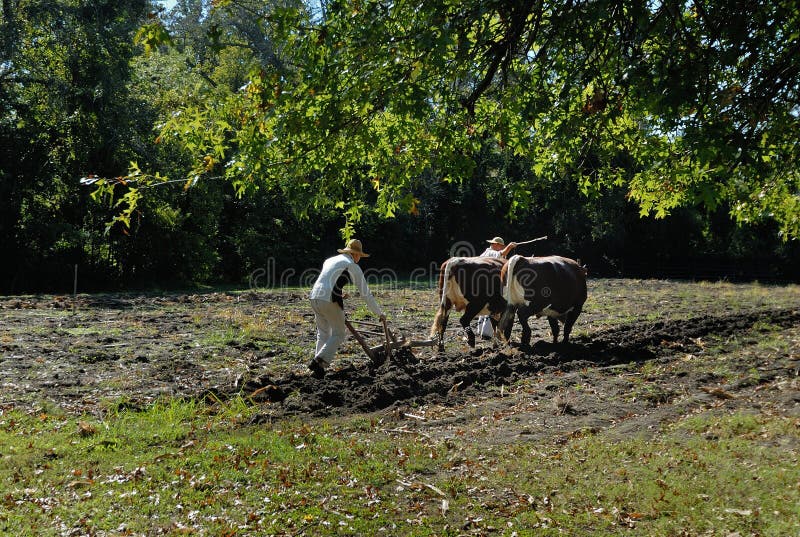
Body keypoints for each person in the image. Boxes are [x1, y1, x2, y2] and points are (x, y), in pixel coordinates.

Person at [308, 239, 385, 378]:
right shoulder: (352, 265)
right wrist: (379, 313)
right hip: (329, 300)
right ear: (355, 254)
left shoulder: (330, 260)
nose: (359, 258)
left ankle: (318, 369)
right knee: (339, 333)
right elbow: (365, 293)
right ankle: (318, 361)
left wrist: (339, 293)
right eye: (359, 256)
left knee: (323, 333)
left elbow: (328, 280)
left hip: (314, 297)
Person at [477, 237, 517, 340]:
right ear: (497, 245)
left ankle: (484, 331)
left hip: (484, 284)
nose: (500, 247)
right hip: (490, 285)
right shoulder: (491, 252)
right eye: (499, 245)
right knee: (493, 308)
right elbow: (502, 254)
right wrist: (510, 246)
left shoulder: (486, 253)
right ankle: (488, 333)